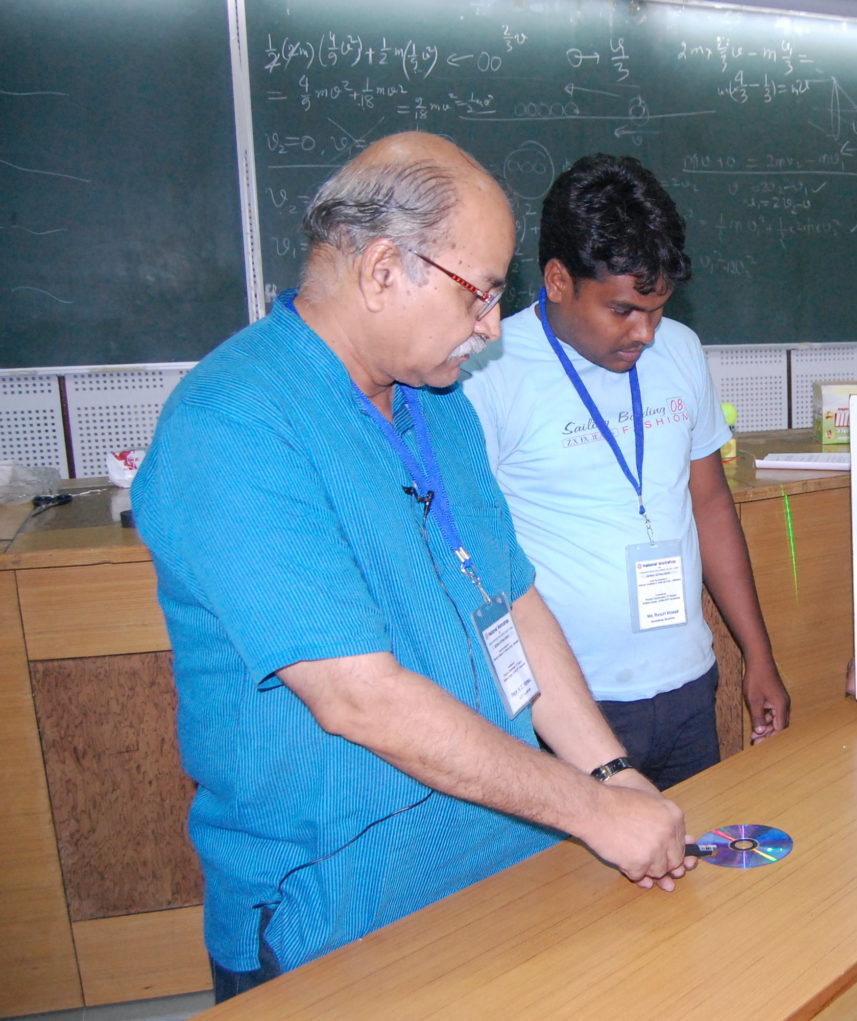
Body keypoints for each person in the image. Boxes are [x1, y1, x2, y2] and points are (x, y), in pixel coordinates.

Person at [132, 133, 695, 1002]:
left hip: (508, 865)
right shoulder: (233, 425)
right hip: (338, 916)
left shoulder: (438, 403)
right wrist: (592, 809)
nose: (491, 325)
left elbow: (513, 603)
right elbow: (360, 697)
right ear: (384, 270)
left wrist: (612, 775)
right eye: (480, 293)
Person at [463, 154, 788, 791]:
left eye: (657, 310)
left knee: (694, 847)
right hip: (565, 706)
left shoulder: (681, 351)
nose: (644, 333)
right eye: (621, 311)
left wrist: (758, 654)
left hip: (687, 685)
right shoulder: (488, 370)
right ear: (558, 280)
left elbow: (710, 504)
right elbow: (475, 556)